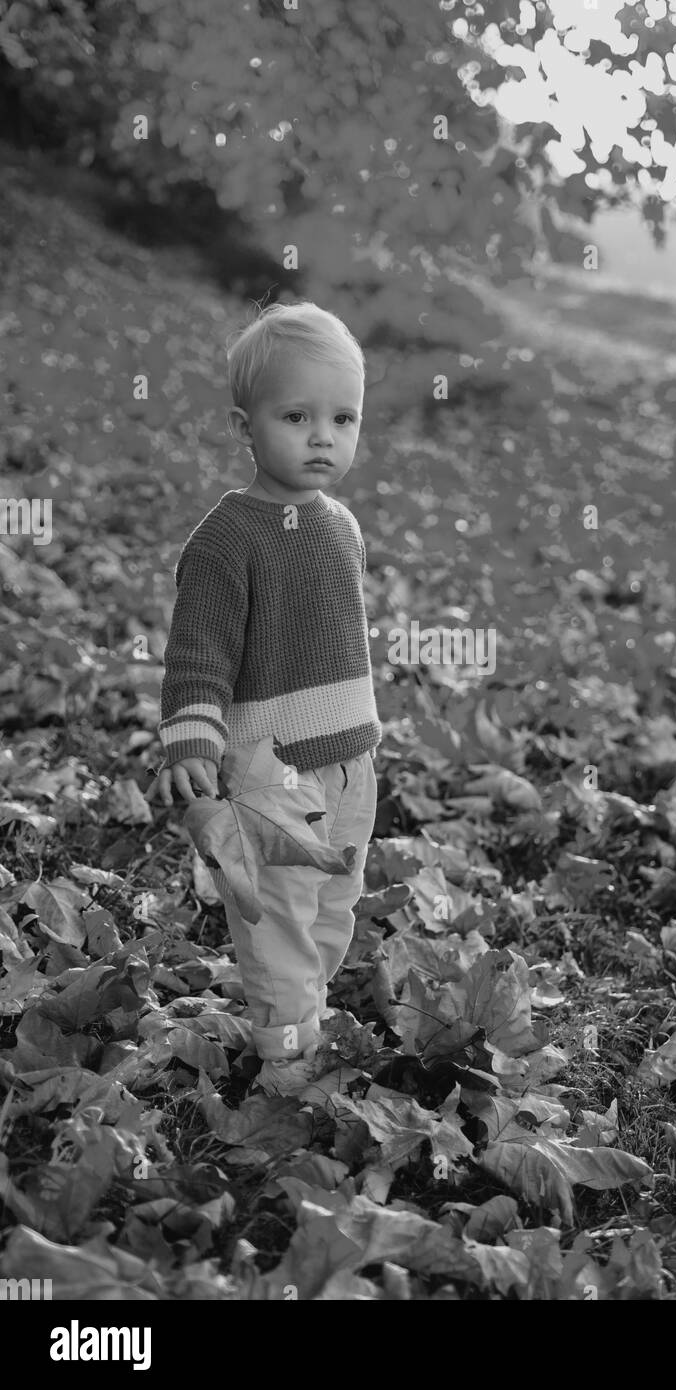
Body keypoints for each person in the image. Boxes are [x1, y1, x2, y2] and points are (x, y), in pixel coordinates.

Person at [147, 301, 381, 1097]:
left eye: (342, 417)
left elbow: (332, 637)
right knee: (279, 919)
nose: (323, 436)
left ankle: (299, 1012)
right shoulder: (226, 540)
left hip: (350, 763)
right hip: (272, 775)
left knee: (332, 909)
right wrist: (191, 742)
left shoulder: (341, 526)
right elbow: (199, 656)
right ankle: (285, 1060)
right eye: (297, 416)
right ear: (245, 426)